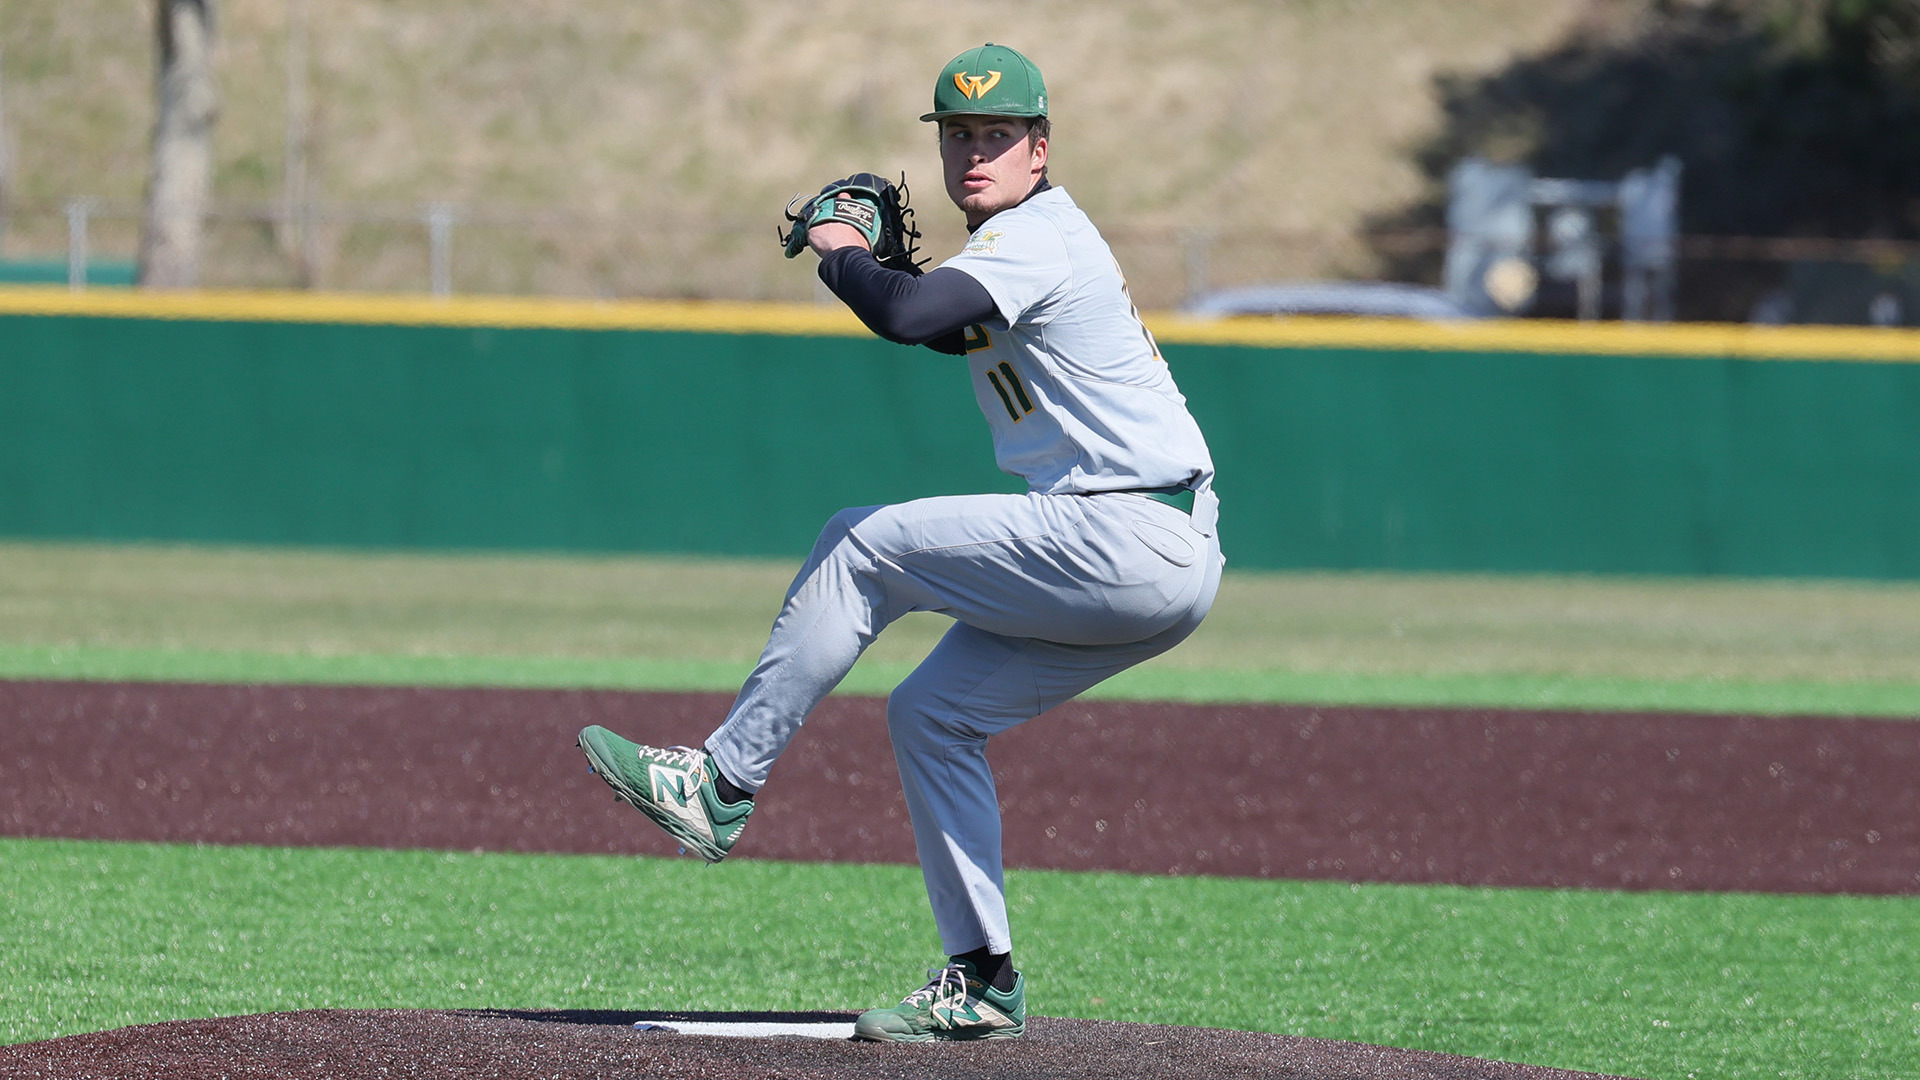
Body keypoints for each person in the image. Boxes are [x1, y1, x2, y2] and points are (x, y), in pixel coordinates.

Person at [577, 42, 1223, 1043]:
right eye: (959, 134)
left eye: (997, 135)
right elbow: (935, 321)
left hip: (1127, 531)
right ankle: (983, 979)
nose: (975, 152)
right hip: (1141, 548)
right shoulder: (1010, 252)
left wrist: (841, 250)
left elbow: (911, 312)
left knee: (863, 543)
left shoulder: (1043, 233)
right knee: (933, 713)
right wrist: (870, 267)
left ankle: (719, 783)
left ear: (1039, 149)